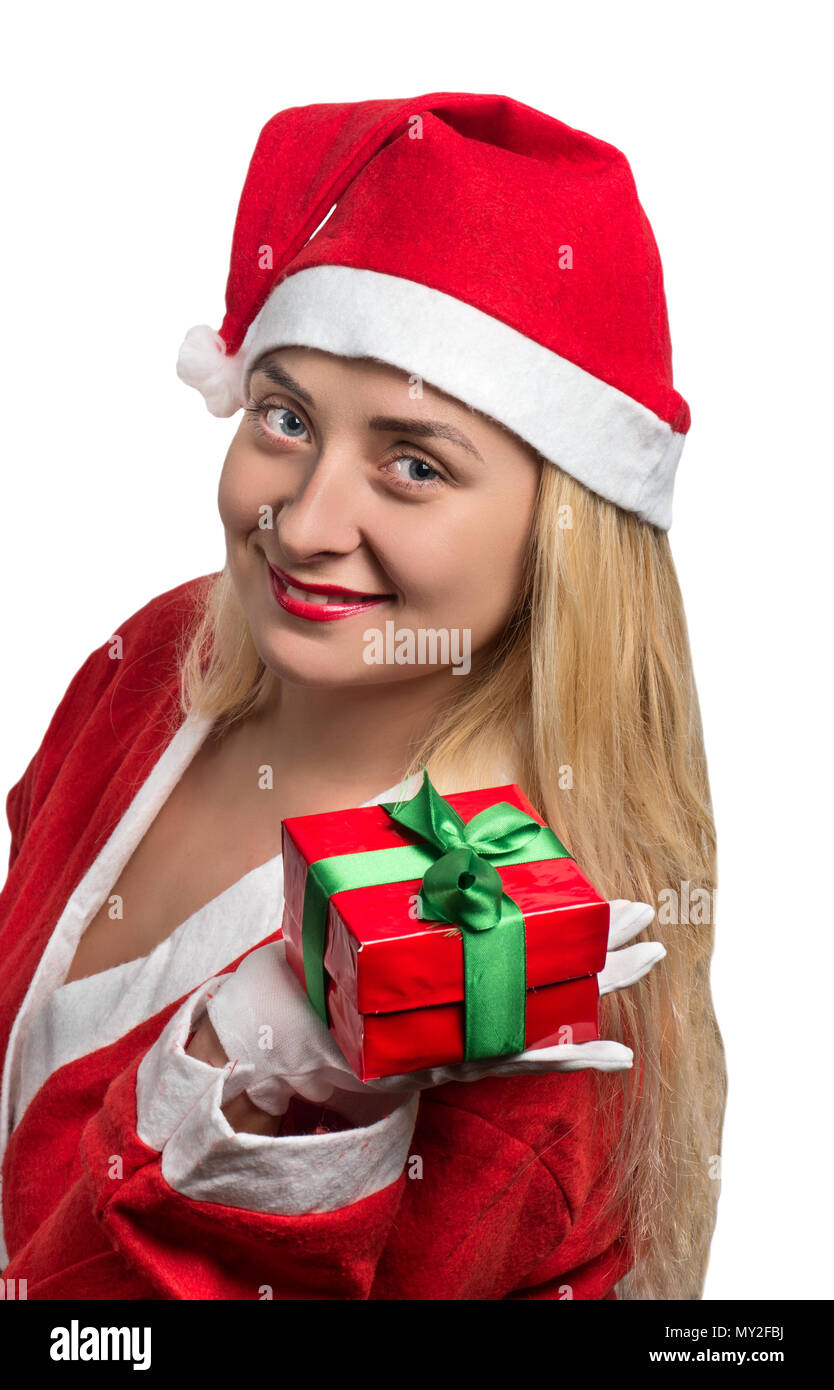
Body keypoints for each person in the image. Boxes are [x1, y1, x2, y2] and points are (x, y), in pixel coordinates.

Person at [0, 92, 725, 1300]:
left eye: (415, 461)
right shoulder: (161, 664)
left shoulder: (515, 995)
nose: (305, 521)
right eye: (283, 416)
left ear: (563, 535)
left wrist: (259, 1079)